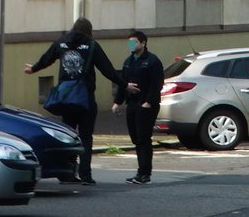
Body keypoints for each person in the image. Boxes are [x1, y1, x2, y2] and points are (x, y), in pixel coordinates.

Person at [25, 17, 122, 185]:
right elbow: (107, 70)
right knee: (86, 137)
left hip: (66, 99)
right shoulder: (92, 45)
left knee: (68, 136)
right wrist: (125, 85)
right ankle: (86, 175)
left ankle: (68, 173)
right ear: (89, 31)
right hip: (85, 99)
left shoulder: (62, 42)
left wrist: (33, 69)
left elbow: (47, 57)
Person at [112, 30, 163, 185]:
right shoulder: (128, 61)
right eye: (129, 42)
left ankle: (145, 173)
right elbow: (123, 83)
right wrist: (117, 102)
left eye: (134, 42)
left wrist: (149, 102)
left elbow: (157, 84)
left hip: (146, 105)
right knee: (136, 138)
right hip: (132, 104)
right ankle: (140, 172)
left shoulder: (152, 61)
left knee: (143, 138)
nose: (131, 45)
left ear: (143, 43)